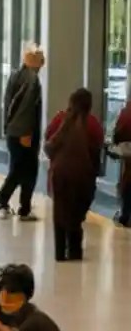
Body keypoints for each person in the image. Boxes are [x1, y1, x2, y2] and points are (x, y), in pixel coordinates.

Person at [42, 88, 102, 262]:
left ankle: (60, 253)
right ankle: (75, 251)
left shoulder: (60, 119)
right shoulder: (93, 124)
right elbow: (97, 152)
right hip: (83, 176)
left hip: (60, 174)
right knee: (76, 215)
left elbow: (48, 140)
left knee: (60, 212)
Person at [0, 45, 45, 220]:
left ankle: (21, 207)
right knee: (25, 170)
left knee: (19, 169)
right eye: (40, 59)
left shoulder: (16, 75)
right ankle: (5, 202)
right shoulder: (31, 80)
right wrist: (26, 133)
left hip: (13, 132)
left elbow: (9, 104)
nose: (43, 63)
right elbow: (26, 109)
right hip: (24, 133)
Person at [111, 100, 131, 226]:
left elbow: (119, 132)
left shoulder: (127, 111)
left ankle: (125, 215)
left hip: (129, 155)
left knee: (128, 182)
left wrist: (116, 142)